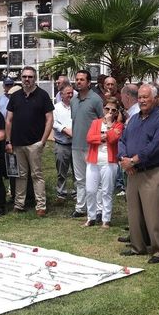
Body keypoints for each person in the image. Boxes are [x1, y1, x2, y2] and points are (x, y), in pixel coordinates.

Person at [118, 84, 159, 264]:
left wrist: (134, 160)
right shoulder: (133, 119)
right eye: (139, 97)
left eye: (145, 97)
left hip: (151, 171)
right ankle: (137, 246)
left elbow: (155, 146)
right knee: (134, 212)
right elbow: (122, 140)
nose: (141, 100)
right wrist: (124, 159)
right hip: (132, 171)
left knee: (153, 212)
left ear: (155, 99)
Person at [5, 66, 54, 216]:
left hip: (35, 143)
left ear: (35, 78)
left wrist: (43, 141)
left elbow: (49, 119)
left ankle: (41, 206)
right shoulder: (15, 96)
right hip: (17, 143)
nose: (27, 79)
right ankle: (19, 204)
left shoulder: (43, 95)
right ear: (21, 78)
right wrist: (8, 141)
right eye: (25, 76)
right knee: (20, 175)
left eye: (30, 77)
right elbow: (8, 120)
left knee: (37, 175)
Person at [69, 70, 104, 219]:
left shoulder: (96, 100)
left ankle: (98, 209)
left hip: (92, 146)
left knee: (96, 180)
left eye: (82, 80)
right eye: (77, 79)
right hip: (76, 145)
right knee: (80, 179)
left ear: (89, 82)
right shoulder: (73, 101)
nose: (78, 82)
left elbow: (103, 121)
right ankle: (81, 207)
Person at [84, 98, 124, 228]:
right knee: (90, 190)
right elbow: (89, 138)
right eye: (107, 109)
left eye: (113, 110)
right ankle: (91, 217)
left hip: (109, 161)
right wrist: (102, 137)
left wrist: (107, 125)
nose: (110, 112)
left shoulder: (118, 125)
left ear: (117, 112)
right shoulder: (95, 123)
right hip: (93, 160)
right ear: (103, 109)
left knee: (107, 191)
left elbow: (113, 139)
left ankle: (106, 219)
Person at [52, 85, 74, 202]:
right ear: (61, 95)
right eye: (68, 93)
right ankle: (61, 193)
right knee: (61, 171)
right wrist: (64, 129)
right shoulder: (56, 108)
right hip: (62, 144)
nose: (70, 95)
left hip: (76, 144)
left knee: (77, 170)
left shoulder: (77, 106)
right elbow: (53, 123)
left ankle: (77, 192)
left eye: (72, 93)